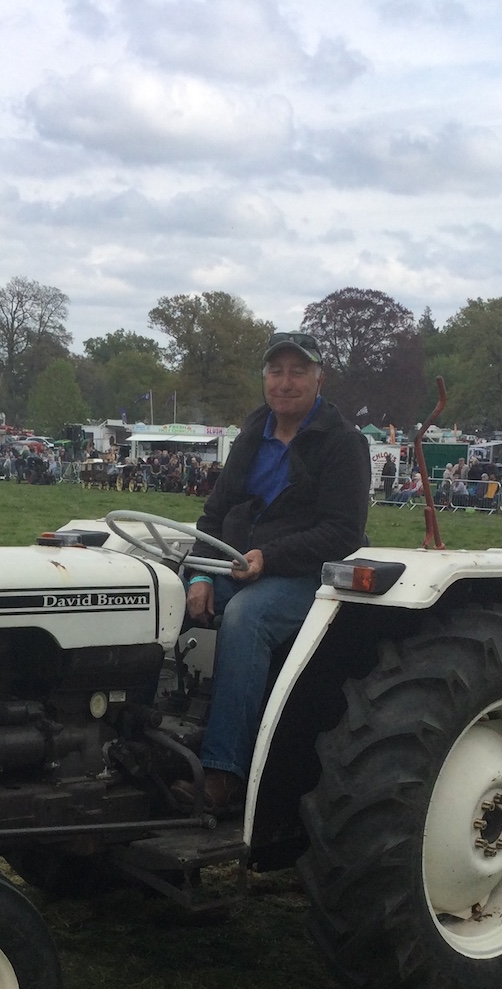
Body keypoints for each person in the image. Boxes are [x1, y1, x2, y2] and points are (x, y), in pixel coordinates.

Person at [181, 332, 369, 815]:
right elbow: (213, 515)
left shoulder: (342, 443)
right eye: (276, 371)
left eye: (298, 371)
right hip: (238, 562)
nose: (285, 382)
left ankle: (223, 772)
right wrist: (199, 575)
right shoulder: (253, 434)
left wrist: (270, 556)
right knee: (158, 599)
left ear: (318, 378)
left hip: (306, 573)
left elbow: (343, 531)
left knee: (247, 618)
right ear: (264, 378)